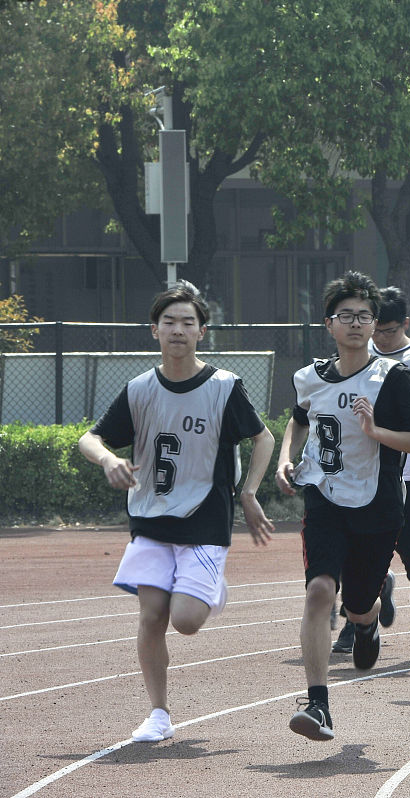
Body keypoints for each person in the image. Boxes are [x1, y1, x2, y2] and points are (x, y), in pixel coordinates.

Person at [79, 280, 275, 743]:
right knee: (151, 616)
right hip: (150, 516)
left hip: (205, 517)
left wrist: (247, 493)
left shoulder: (224, 388)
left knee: (185, 621)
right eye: (170, 322)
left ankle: (210, 591)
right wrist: (108, 458)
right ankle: (159, 713)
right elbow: (90, 437)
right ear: (154, 330)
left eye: (188, 322)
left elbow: (263, 438)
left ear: (202, 331)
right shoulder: (140, 388)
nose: (178, 330)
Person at [275, 271, 410, 740]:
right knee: (320, 590)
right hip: (323, 497)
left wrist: (376, 432)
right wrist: (286, 460)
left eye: (366, 315)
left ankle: (365, 624)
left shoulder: (392, 377)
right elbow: (298, 421)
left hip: (378, 505)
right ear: (330, 323)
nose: (358, 323)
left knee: (360, 603)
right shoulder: (310, 377)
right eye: (348, 315)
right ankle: (318, 704)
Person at [330, 287, 410, 653]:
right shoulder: (359, 354)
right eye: (377, 329)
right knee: (351, 546)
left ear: (403, 324)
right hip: (362, 467)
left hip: (408, 466)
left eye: (388, 330)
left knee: (407, 540)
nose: (379, 337)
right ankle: (356, 622)